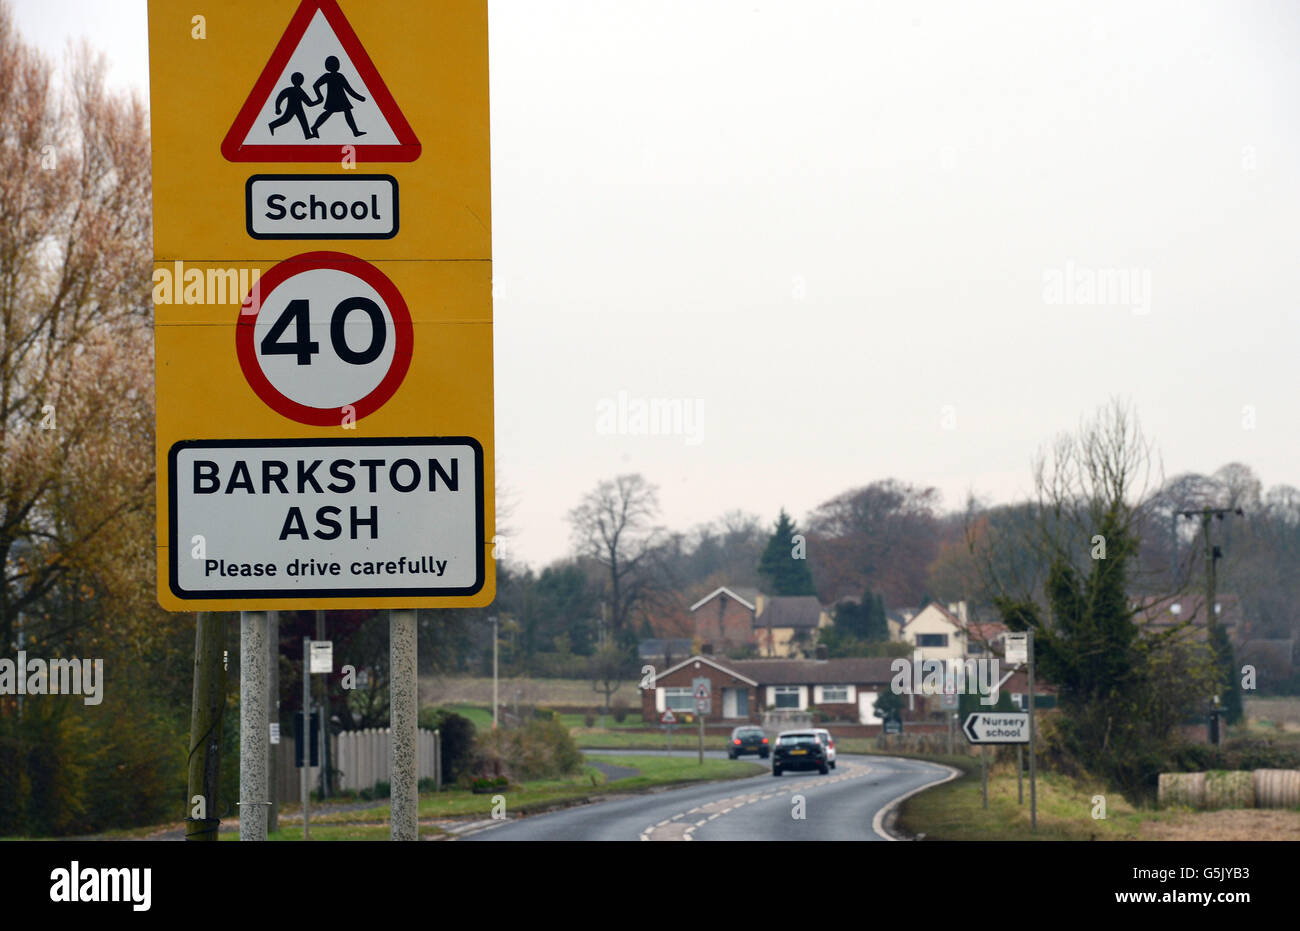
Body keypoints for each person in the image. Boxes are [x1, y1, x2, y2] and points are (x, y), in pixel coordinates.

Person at [310, 55, 368, 138]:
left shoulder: (332, 76)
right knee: (332, 113)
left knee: (343, 112)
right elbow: (349, 89)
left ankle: (355, 131)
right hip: (336, 99)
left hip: (339, 99)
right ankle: (314, 127)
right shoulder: (335, 76)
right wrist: (360, 98)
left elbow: (348, 89)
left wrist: (320, 97)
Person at [267, 72, 319, 139]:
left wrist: (277, 107)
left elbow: (309, 103)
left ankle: (307, 134)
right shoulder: (295, 90)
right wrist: (277, 108)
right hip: (292, 108)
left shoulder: (295, 90)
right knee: (286, 119)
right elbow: (280, 97)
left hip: (298, 109)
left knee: (303, 121)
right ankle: (272, 125)